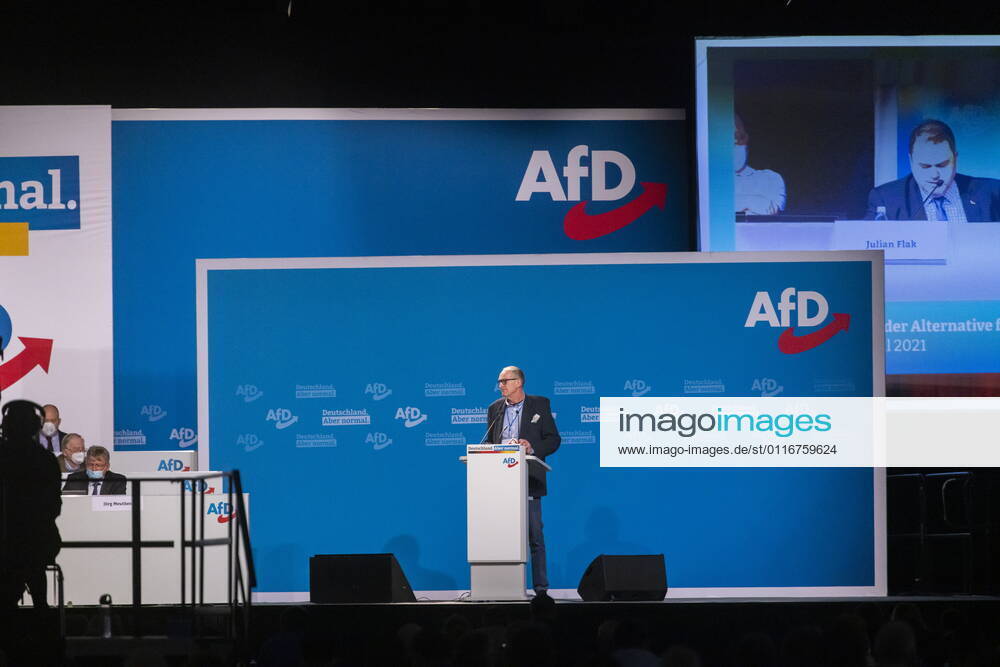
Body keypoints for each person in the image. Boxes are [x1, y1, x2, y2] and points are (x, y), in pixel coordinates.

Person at [485, 366, 560, 596]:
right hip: (500, 482)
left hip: (528, 479)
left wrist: (531, 447)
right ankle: (501, 589)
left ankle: (540, 590)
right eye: (499, 382)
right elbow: (489, 441)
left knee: (535, 536)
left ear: (518, 382)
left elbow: (554, 439)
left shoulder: (540, 404)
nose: (501, 386)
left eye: (505, 381)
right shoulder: (494, 409)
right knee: (500, 536)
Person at [865, 119, 1000, 221]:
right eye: (925, 166)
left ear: (956, 158)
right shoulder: (886, 200)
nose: (934, 175)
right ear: (911, 161)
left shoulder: (992, 193)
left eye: (942, 165)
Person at [0, 400, 62, 609]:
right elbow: (54, 506)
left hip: (13, 543)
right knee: (34, 570)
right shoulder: (45, 460)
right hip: (38, 542)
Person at [734, 113, 786, 216]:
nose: (734, 142)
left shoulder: (770, 178)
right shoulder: (707, 180)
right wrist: (753, 202)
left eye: (738, 137)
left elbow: (771, 209)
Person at [62, 446, 127, 495]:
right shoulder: (74, 479)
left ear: (107, 467)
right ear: (86, 464)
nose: (94, 468)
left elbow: (118, 508)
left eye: (98, 465)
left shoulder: (117, 481)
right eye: (90, 465)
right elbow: (66, 504)